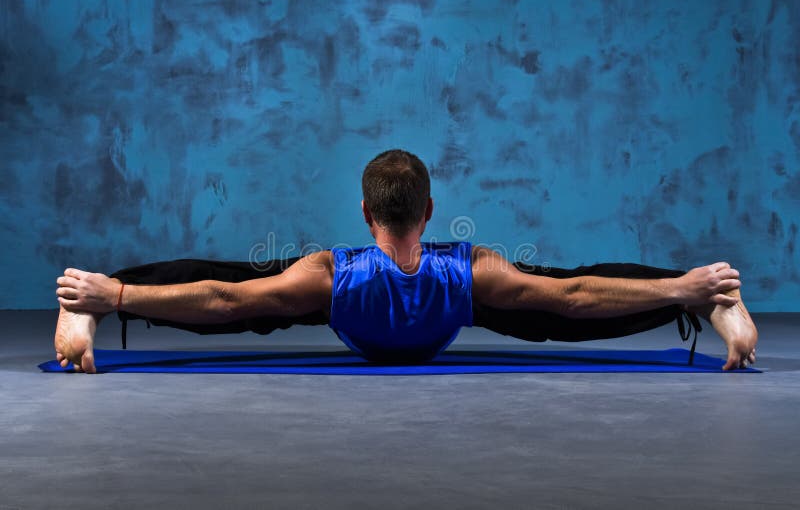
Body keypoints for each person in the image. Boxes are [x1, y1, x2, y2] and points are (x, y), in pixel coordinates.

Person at [53, 149, 758, 374]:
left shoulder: (331, 274)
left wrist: (120, 293)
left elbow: (223, 301)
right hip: (455, 301)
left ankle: (98, 296)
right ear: (429, 211)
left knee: (247, 292)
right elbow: (575, 295)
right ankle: (700, 296)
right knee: (549, 301)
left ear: (366, 216)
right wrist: (678, 284)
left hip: (348, 308)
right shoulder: (470, 269)